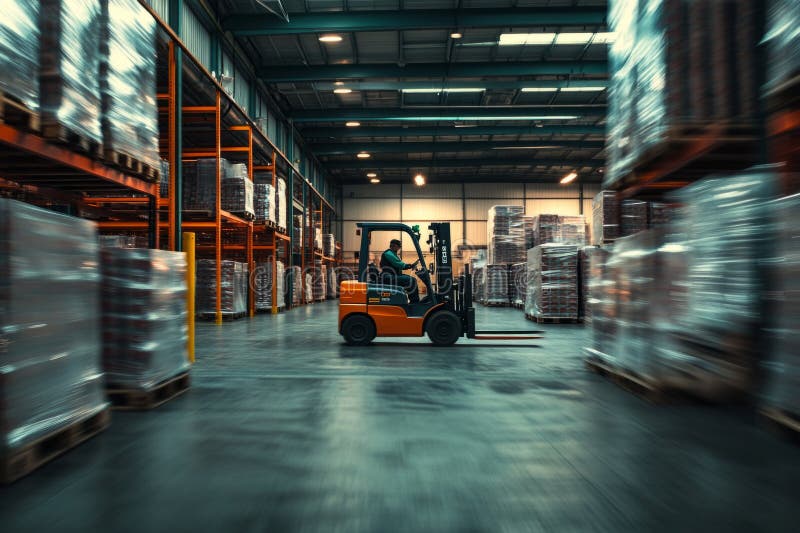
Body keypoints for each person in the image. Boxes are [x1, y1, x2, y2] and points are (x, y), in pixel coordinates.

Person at [380, 239, 420, 303]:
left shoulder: (392, 253)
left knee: (411, 279)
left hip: (392, 275)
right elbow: (399, 264)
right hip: (388, 277)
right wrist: (410, 266)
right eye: (398, 247)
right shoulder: (388, 253)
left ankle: (413, 301)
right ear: (394, 246)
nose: (399, 249)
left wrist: (410, 266)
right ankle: (414, 302)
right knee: (411, 280)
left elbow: (399, 265)